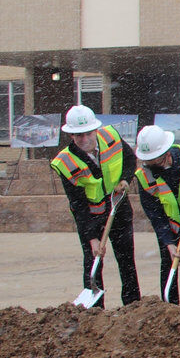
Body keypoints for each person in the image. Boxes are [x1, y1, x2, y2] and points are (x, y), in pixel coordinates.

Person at [51, 105, 140, 307]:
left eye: (87, 133)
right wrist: (91, 237)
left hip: (119, 209)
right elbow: (77, 204)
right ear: (71, 135)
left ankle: (133, 307)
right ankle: (95, 312)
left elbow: (129, 159)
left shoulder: (111, 137)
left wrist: (126, 179)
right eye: (77, 135)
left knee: (127, 261)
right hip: (91, 217)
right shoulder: (66, 162)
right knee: (92, 262)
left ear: (95, 130)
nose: (84, 139)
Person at [134, 124, 180, 309]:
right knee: (168, 269)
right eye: (147, 161)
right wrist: (169, 242)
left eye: (154, 161)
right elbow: (155, 215)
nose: (151, 166)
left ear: (166, 153)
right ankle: (170, 312)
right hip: (168, 225)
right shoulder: (144, 176)